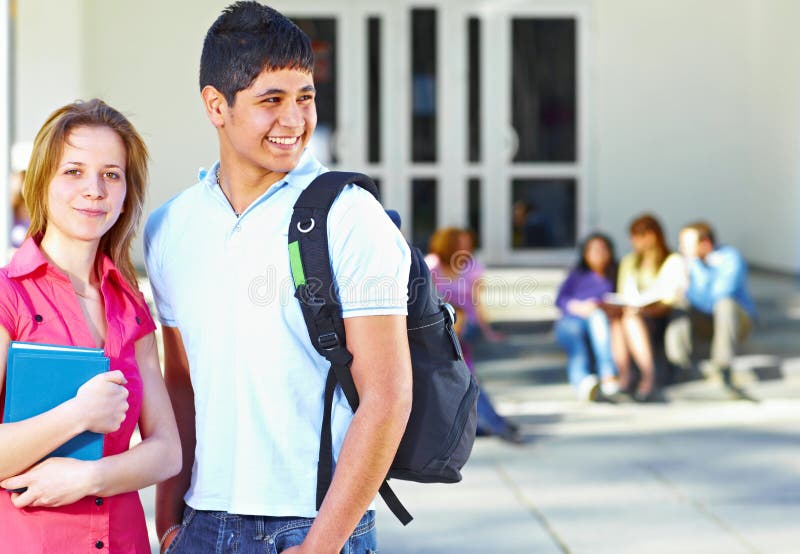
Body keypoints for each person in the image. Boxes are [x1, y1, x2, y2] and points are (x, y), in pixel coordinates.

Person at [145, 3, 413, 553]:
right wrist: (168, 523)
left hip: (311, 526)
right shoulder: (170, 227)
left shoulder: (350, 215)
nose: (294, 120)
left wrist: (321, 545)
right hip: (200, 522)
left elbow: (387, 395)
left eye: (305, 97)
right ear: (216, 106)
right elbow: (182, 384)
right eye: (272, 100)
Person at [0, 99, 181, 552]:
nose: (95, 189)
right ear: (42, 183)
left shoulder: (130, 303)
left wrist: (89, 477)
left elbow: (167, 451)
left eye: (111, 174)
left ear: (125, 195)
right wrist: (78, 415)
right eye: (74, 171)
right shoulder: (7, 296)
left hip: (123, 542)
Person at [427, 227, 523, 443]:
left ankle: (489, 424)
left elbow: (477, 305)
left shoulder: (472, 267)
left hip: (464, 326)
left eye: (468, 242)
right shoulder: (431, 265)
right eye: (461, 242)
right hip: (439, 325)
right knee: (465, 376)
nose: (467, 247)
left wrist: (488, 331)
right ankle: (489, 423)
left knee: (464, 375)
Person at [665, 222, 756, 393]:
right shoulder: (686, 262)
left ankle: (723, 366)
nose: (681, 248)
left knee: (725, 304)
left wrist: (689, 286)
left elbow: (718, 296)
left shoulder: (730, 258)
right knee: (679, 304)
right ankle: (678, 364)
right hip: (706, 321)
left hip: (736, 323)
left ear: (705, 243)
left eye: (686, 244)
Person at [611, 214, 687, 402]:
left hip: (661, 316)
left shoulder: (672, 261)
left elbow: (671, 298)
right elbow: (624, 293)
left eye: (637, 236)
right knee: (619, 319)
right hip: (635, 314)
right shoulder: (630, 262)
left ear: (652, 236)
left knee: (630, 318)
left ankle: (648, 377)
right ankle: (626, 375)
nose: (633, 242)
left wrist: (646, 309)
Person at [554, 233, 620, 401]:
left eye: (603, 250)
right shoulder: (577, 275)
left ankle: (607, 374)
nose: (599, 254)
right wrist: (578, 306)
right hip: (573, 319)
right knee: (577, 344)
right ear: (585, 253)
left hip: (600, 320)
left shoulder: (615, 275)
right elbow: (560, 300)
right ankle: (583, 381)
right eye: (594, 250)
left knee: (597, 317)